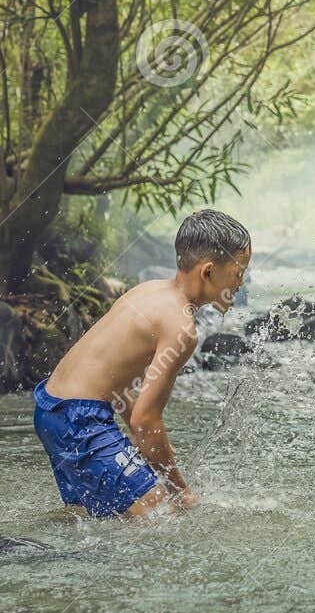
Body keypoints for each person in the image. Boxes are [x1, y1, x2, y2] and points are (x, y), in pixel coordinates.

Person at [32, 210, 251, 519]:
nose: (241, 283)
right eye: (239, 272)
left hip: (50, 410)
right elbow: (146, 421)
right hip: (79, 418)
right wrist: (180, 488)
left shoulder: (147, 291)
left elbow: (117, 379)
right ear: (208, 271)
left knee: (93, 520)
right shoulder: (181, 329)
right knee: (160, 513)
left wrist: (143, 441)